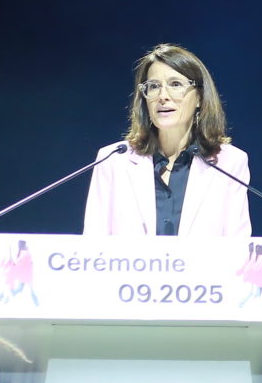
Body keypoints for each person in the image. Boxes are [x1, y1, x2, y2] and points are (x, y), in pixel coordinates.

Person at [83, 43, 253, 237]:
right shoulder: (113, 160)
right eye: (153, 86)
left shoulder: (229, 162)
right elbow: (93, 244)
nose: (163, 96)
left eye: (175, 84)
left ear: (199, 98)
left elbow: (237, 247)